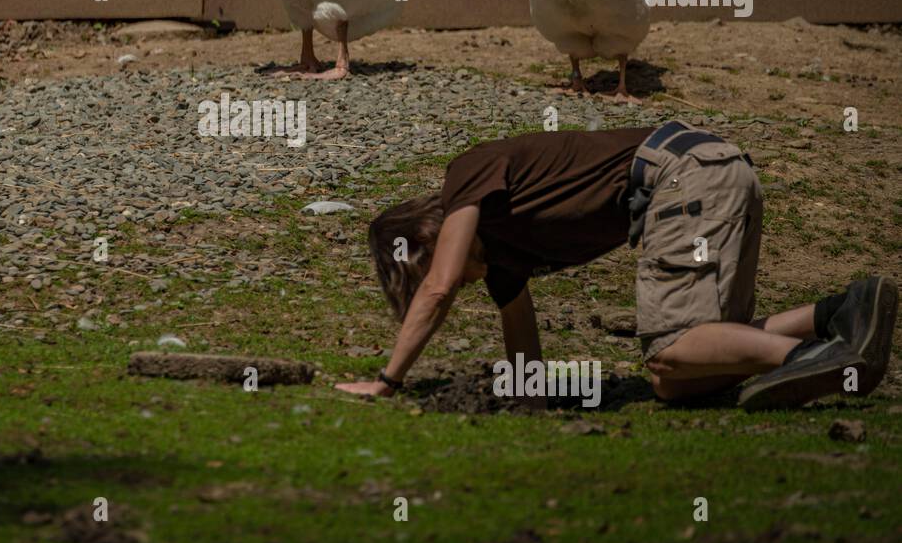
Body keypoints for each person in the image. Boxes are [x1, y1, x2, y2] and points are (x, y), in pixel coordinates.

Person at [335, 121, 896, 410]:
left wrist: (387, 382)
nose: (460, 280)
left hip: (686, 177)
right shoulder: (505, 252)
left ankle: (818, 360)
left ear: (426, 234)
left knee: (671, 344)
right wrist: (528, 396)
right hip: (720, 172)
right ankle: (836, 314)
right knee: (676, 382)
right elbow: (521, 342)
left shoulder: (466, 179)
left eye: (429, 263)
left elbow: (436, 288)